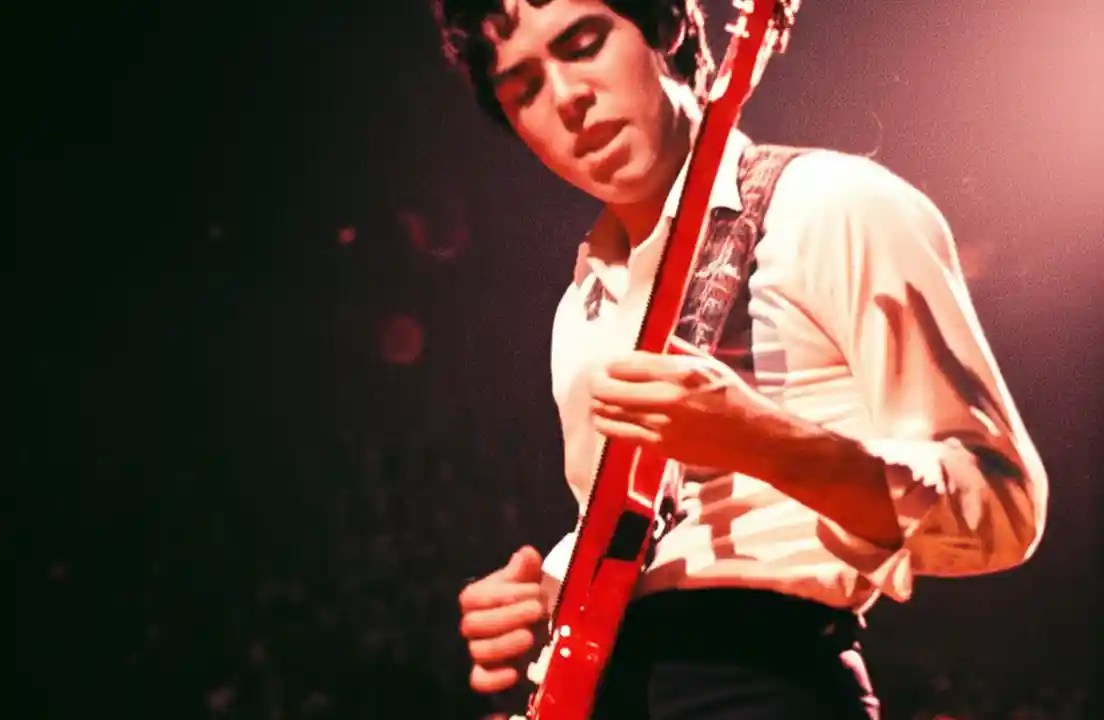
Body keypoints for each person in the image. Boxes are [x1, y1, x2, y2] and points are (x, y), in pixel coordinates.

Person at [432, 0, 1049, 718]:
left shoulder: (833, 205)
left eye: (584, 44)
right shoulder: (581, 310)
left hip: (768, 680)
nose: (567, 98)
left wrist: (767, 443)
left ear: (666, 29)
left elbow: (1003, 507)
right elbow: (644, 529)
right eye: (525, 89)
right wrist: (547, 600)